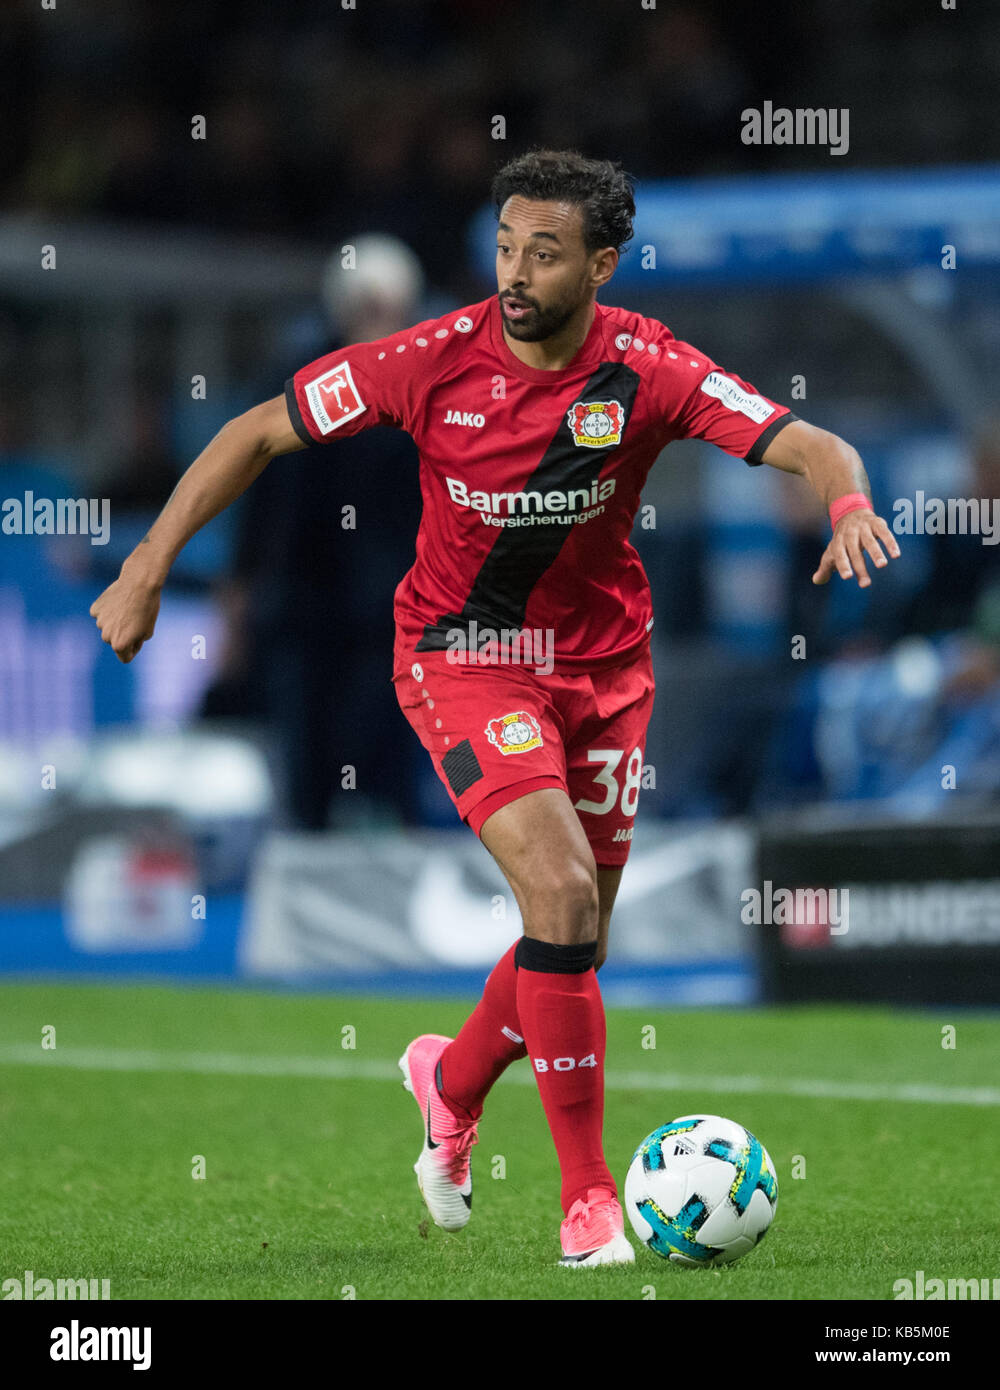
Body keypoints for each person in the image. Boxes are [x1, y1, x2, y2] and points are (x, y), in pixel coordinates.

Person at [90, 149, 901, 1267]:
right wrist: (145, 565)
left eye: (546, 252)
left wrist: (847, 497)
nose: (515, 272)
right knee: (560, 892)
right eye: (508, 246)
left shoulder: (650, 369)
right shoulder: (429, 359)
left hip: (607, 671)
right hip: (462, 654)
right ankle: (588, 1202)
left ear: (602, 264)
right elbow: (255, 432)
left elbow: (807, 441)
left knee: (578, 937)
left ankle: (449, 1078)